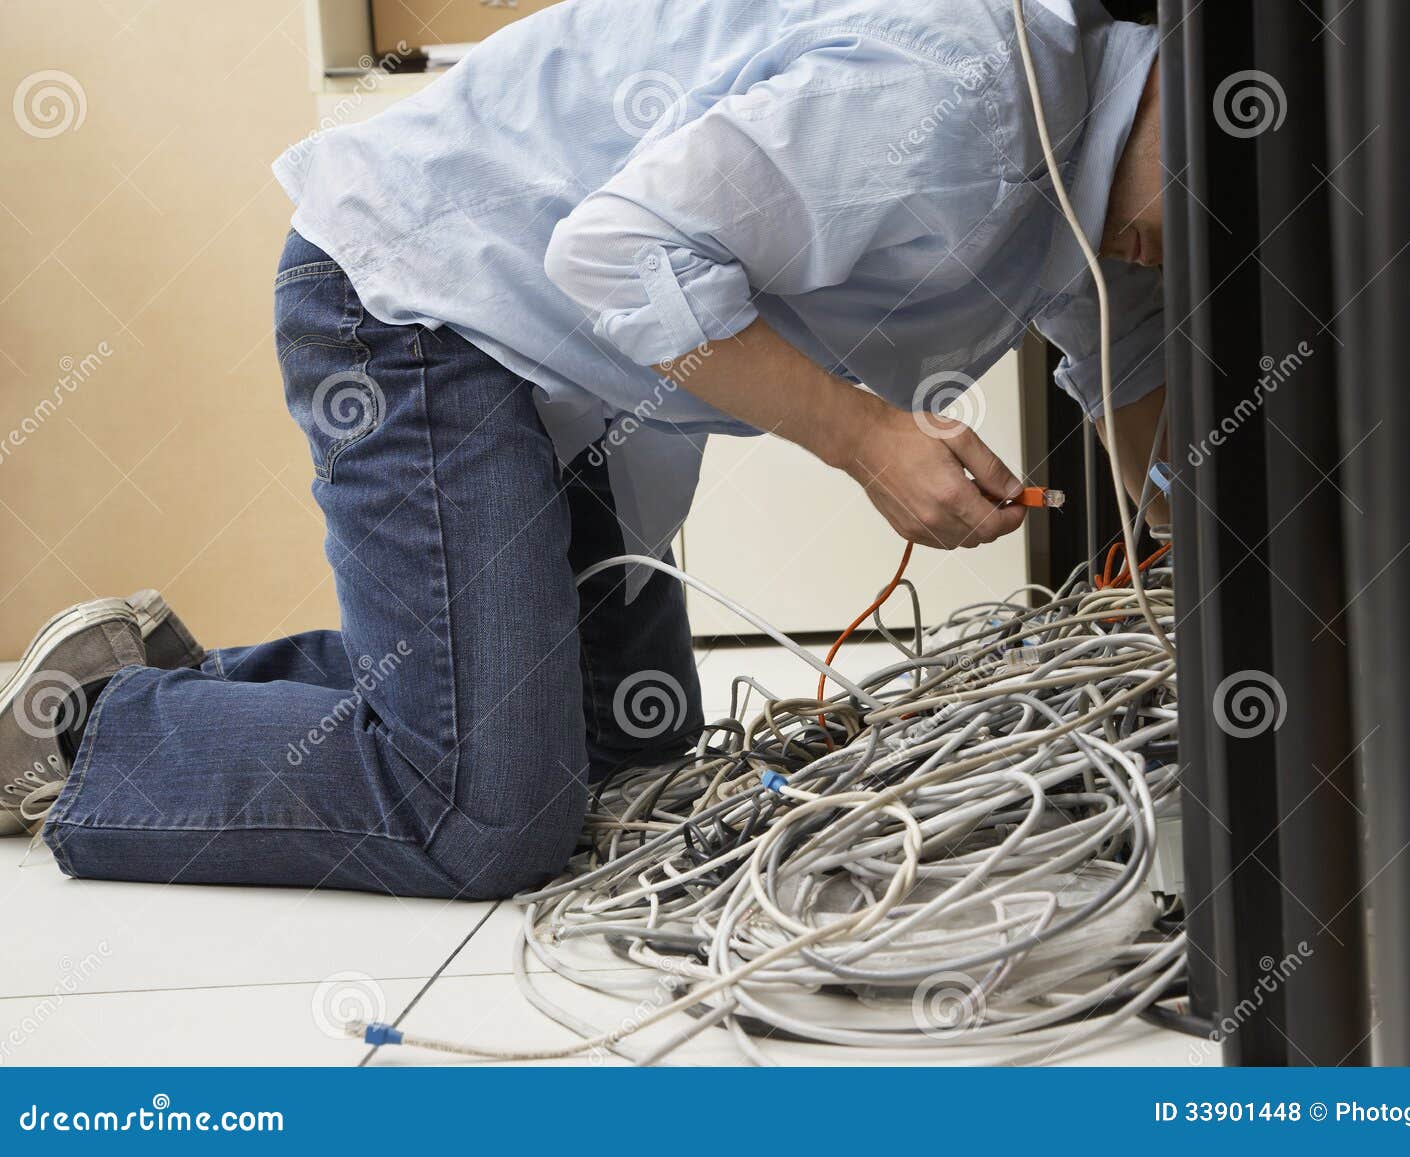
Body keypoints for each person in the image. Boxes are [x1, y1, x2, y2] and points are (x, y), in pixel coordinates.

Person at [1, 0, 1167, 898]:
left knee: (625, 743)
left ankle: (164, 677)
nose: (1222, 221)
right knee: (481, 811)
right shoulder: (972, 85)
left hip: (569, 376)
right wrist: (867, 439)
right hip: (427, 299)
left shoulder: (1116, 202)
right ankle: (76, 726)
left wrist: (1177, 577)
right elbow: (614, 249)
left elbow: (1138, 377)